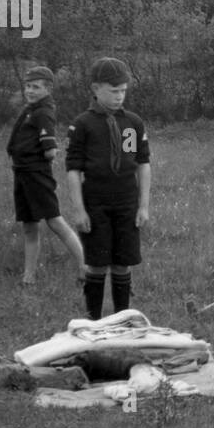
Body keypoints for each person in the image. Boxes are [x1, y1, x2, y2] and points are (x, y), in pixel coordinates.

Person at [65, 57, 152, 320]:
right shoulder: (82, 125)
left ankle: (121, 319)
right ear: (95, 89)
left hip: (126, 201)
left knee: (122, 262)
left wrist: (143, 205)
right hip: (96, 203)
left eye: (123, 91)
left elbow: (142, 164)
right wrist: (79, 210)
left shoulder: (132, 123)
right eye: (113, 91)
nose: (119, 97)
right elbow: (73, 170)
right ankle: (93, 320)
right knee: (97, 263)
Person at [6, 66, 85, 285]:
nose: (30, 91)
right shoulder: (31, 109)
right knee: (29, 226)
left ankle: (84, 266)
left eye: (36, 87)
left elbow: (50, 149)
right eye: (28, 86)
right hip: (22, 174)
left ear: (48, 89)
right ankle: (28, 277)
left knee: (54, 221)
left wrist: (35, 157)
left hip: (36, 175)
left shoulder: (44, 112)